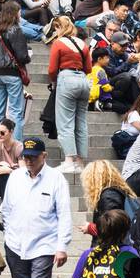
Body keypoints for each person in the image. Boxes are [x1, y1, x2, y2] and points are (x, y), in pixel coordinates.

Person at [1, 137, 72, 278]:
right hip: (17, 242)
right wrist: (8, 232)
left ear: (44, 156)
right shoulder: (15, 177)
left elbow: (64, 214)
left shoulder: (56, 179)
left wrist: (61, 246)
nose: (29, 161)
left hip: (45, 242)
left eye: (33, 157)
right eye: (25, 157)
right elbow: (6, 208)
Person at [47, 15, 91, 175]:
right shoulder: (82, 44)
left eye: (55, 28)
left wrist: (54, 81)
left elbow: (52, 69)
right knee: (81, 123)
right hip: (83, 82)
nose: (55, 31)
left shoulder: (58, 43)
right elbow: (89, 68)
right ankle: (80, 162)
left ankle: (69, 161)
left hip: (67, 79)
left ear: (60, 27)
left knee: (65, 122)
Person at [0, 0, 30, 147]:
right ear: (15, 13)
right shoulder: (15, 29)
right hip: (12, 73)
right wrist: (27, 57)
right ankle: (15, 146)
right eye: (19, 12)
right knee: (16, 112)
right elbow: (22, 56)